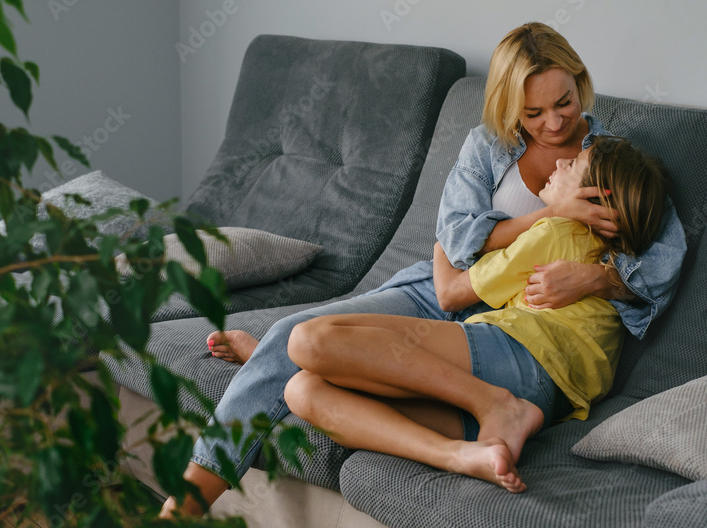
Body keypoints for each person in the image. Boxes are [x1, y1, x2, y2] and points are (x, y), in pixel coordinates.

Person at [106, 23, 687, 528]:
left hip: (514, 321)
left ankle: (290, 358)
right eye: (532, 113)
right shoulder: (489, 145)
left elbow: (659, 262)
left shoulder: (606, 161)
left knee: (298, 349)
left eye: (563, 102)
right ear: (508, 107)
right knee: (292, 342)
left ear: (579, 83)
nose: (554, 123)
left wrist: (596, 281)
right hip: (443, 300)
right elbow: (455, 245)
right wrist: (550, 215)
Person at [282, 136, 668, 495]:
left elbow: (451, 293)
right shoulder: (607, 260)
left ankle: (492, 404)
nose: (563, 159)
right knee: (302, 390)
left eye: (576, 163)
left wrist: (444, 240)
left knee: (308, 339)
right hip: (548, 399)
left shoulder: (559, 230)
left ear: (597, 196)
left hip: (517, 351)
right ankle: (459, 455)